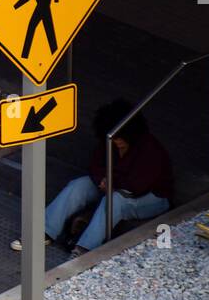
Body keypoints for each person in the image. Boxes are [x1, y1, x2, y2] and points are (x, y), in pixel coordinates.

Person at [11, 99, 173, 255]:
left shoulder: (150, 149)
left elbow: (138, 186)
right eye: (114, 138)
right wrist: (102, 179)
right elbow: (95, 166)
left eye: (120, 138)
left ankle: (84, 249)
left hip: (150, 198)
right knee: (78, 186)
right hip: (114, 186)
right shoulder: (108, 141)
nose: (117, 142)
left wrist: (112, 183)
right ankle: (43, 232)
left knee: (114, 200)